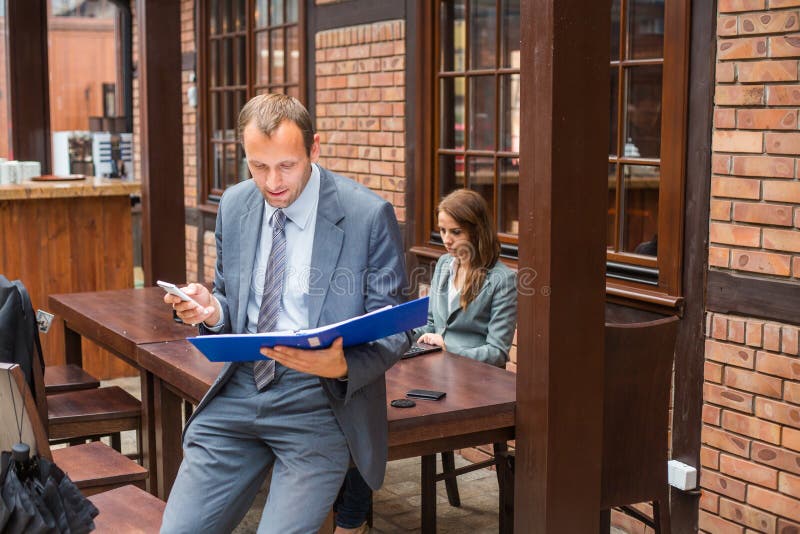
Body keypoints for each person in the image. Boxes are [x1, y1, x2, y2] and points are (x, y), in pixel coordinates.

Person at [160, 93, 409, 534]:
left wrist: (344, 364)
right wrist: (212, 309)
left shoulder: (367, 216)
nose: (272, 181)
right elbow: (231, 301)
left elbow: (396, 326)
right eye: (258, 166)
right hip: (239, 389)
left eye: (286, 166)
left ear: (314, 148)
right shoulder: (235, 205)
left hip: (318, 401)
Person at [335, 188, 517, 532]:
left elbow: (496, 352)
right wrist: (404, 335)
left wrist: (447, 346)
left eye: (455, 232)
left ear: (477, 229)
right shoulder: (446, 266)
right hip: (432, 370)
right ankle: (347, 513)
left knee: (372, 420)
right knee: (361, 408)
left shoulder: (502, 280)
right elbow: (430, 325)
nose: (446, 240)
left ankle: (351, 516)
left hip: (473, 386)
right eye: (443, 230)